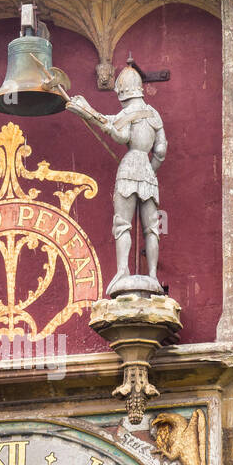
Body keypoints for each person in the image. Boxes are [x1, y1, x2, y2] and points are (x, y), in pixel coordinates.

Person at [67, 63, 166, 293]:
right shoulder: (154, 114)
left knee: (122, 225)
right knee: (152, 228)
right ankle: (152, 275)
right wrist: (149, 169)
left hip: (129, 168)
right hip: (148, 175)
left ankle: (123, 270)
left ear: (122, 92)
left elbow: (121, 135)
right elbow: (161, 150)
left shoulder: (127, 113)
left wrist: (92, 116)